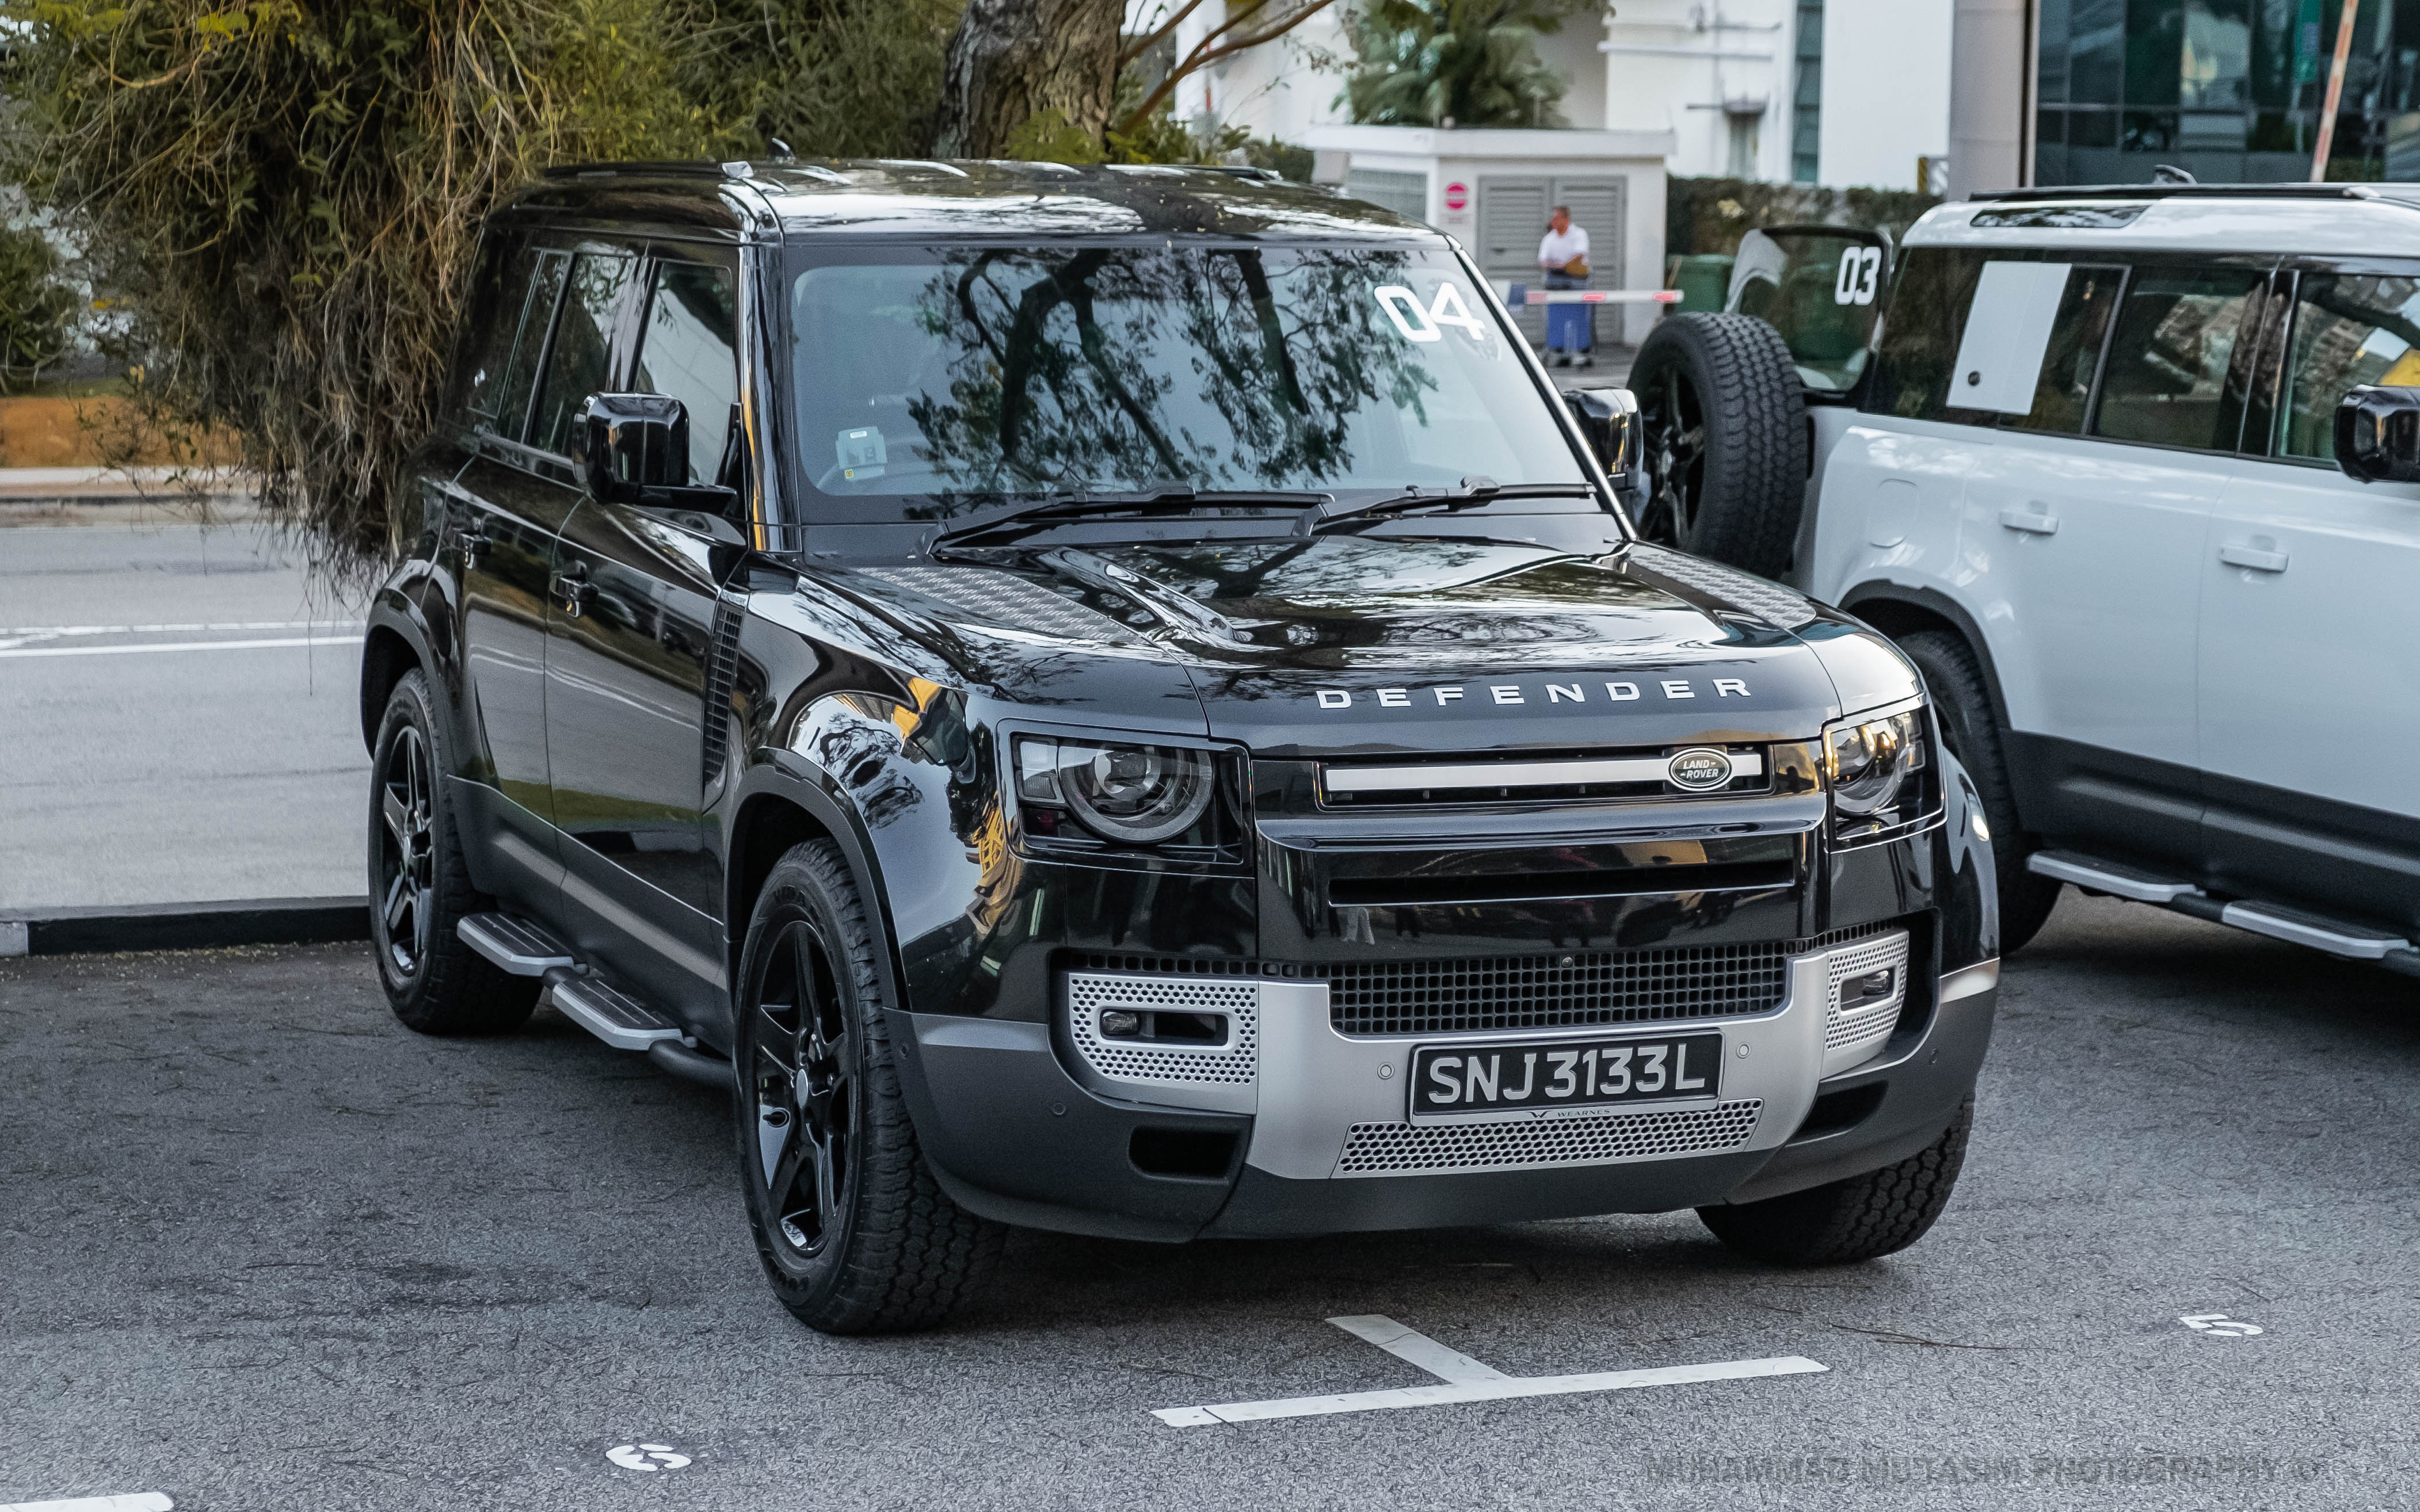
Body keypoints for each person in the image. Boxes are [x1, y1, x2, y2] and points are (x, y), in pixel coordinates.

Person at [1537, 206, 1592, 368]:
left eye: (1557, 218)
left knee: (1578, 316)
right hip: (1556, 282)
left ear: (1566, 219)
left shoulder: (1579, 234)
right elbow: (1543, 260)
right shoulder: (1549, 238)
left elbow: (1579, 255)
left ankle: (1580, 350)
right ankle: (1559, 349)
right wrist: (1556, 266)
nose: (1553, 222)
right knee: (1557, 318)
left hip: (1576, 281)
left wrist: (1562, 265)